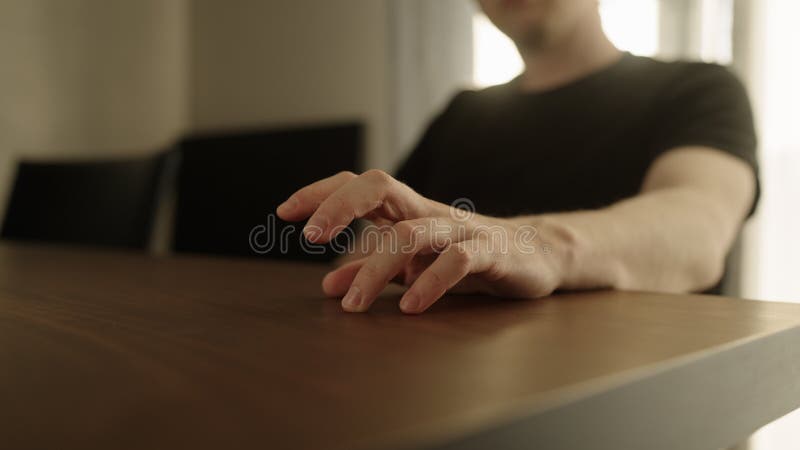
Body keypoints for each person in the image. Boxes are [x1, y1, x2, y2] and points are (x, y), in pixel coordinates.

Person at [277, 0, 759, 314]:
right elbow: (366, 261)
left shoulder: (699, 89)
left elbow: (699, 230)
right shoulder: (461, 115)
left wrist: (535, 245)